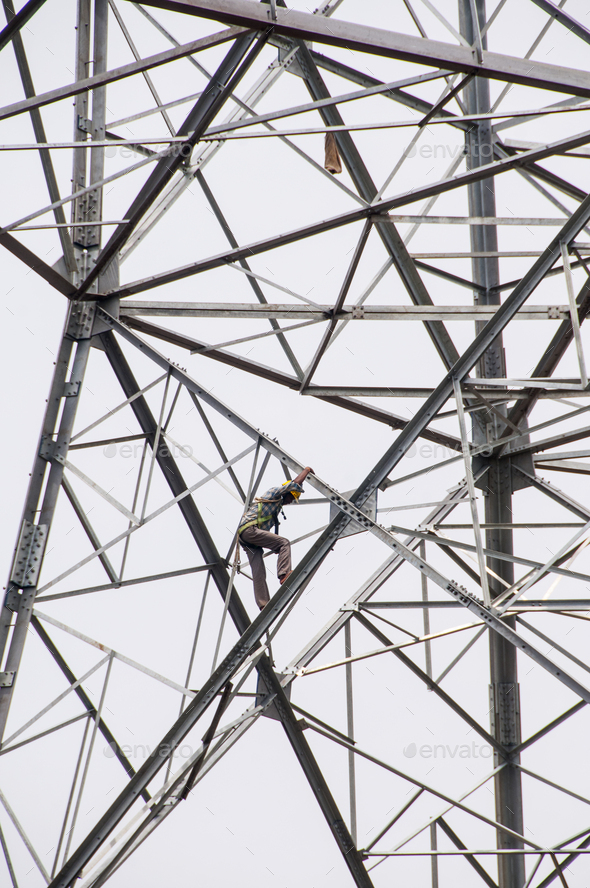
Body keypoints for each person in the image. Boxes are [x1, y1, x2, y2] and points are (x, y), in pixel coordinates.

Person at [238, 467, 314, 610]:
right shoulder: (275, 493)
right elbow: (294, 484)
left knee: (258, 571)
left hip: (247, 538)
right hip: (249, 530)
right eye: (292, 497)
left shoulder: (276, 508)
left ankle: (263, 604)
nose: (291, 501)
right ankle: (284, 574)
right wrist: (306, 470)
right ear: (287, 493)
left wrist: (275, 546)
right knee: (284, 542)